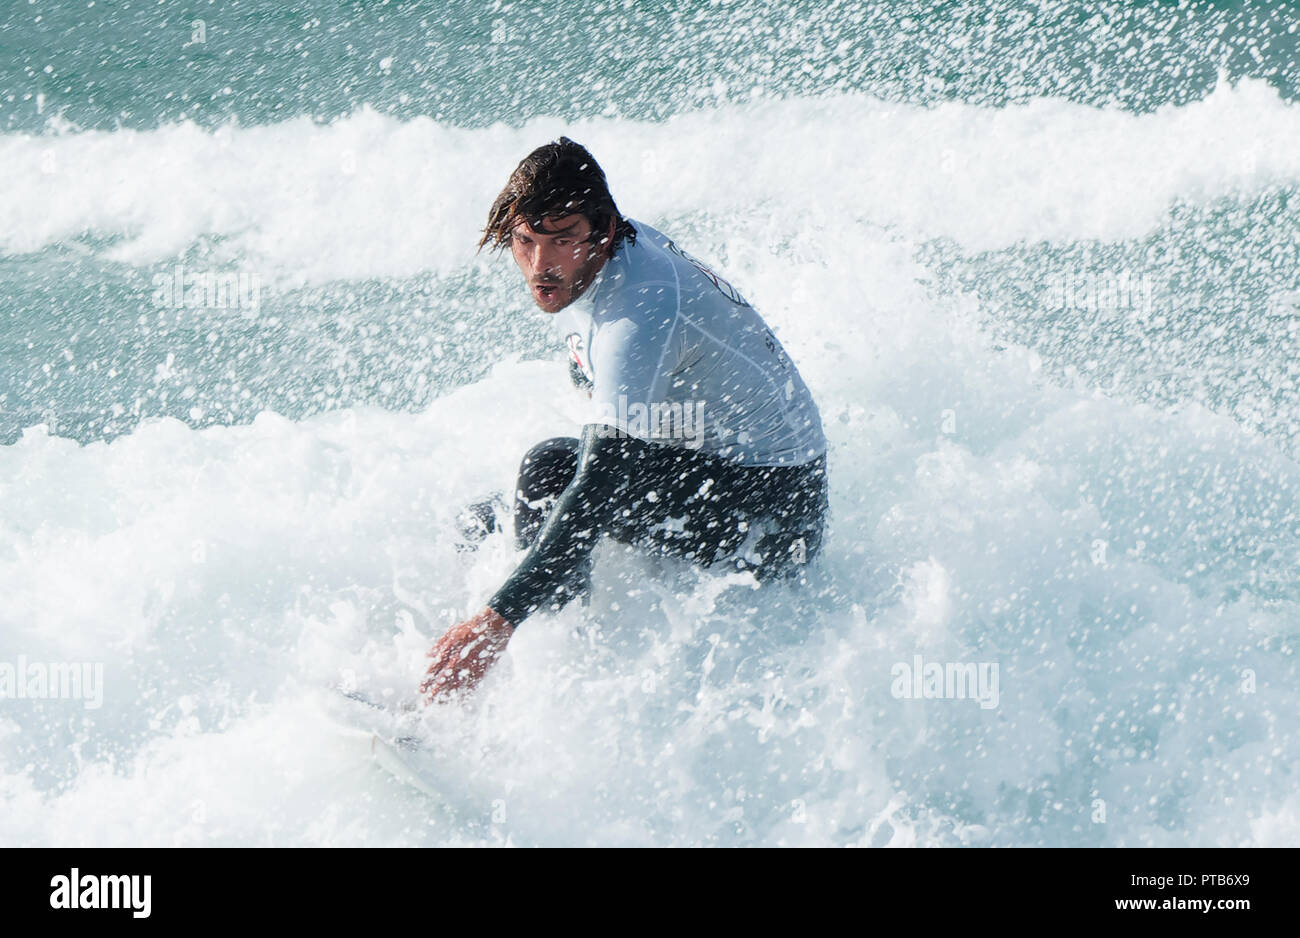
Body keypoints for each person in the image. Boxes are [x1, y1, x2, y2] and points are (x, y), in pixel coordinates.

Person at [419, 137, 828, 702]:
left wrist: (497, 620)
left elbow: (601, 482)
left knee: (550, 473)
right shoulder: (603, 259)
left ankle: (545, 687)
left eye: (562, 242)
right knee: (482, 521)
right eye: (525, 242)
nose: (541, 266)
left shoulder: (640, 307)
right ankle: (458, 658)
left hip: (771, 518)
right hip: (725, 469)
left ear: (604, 231)